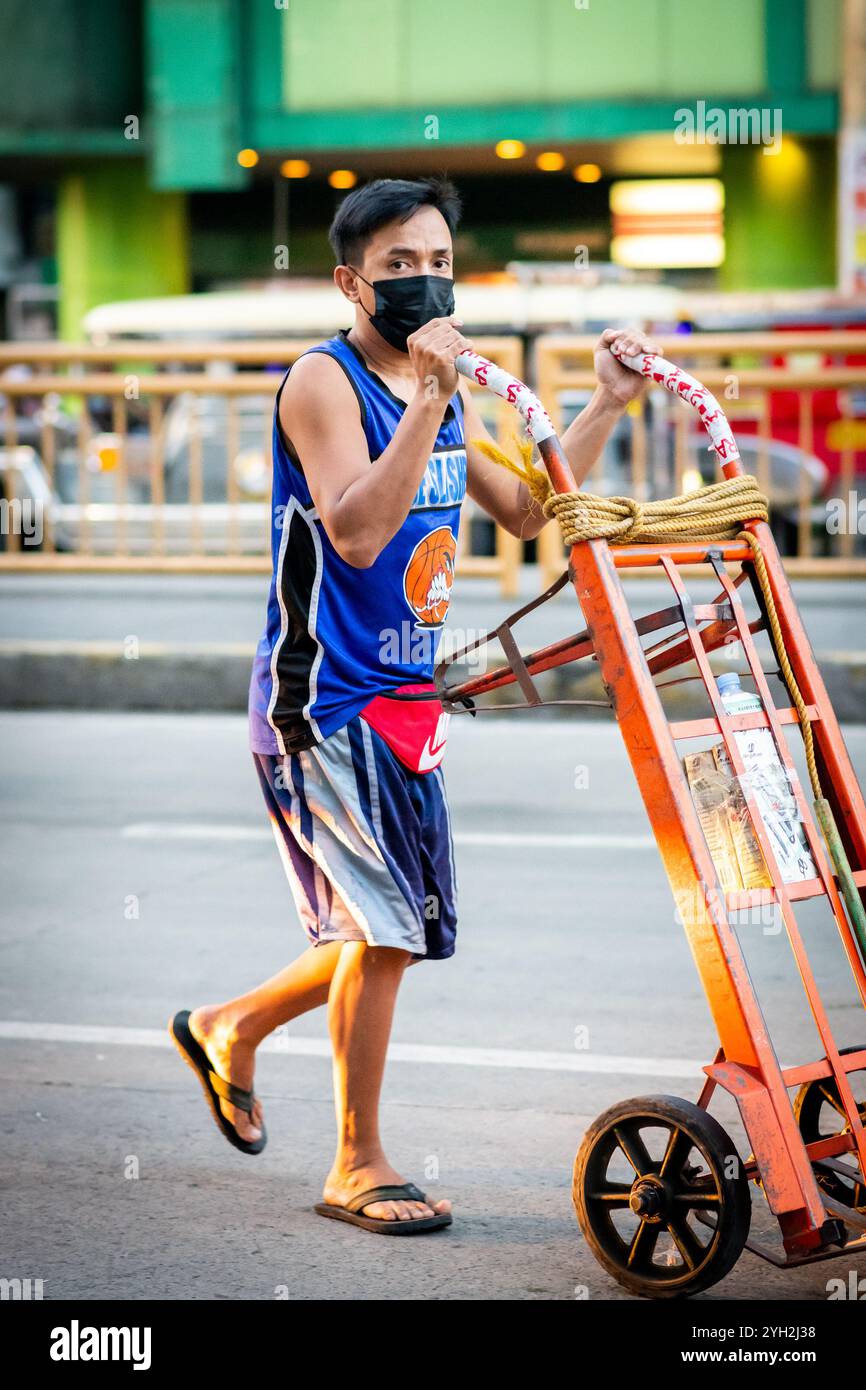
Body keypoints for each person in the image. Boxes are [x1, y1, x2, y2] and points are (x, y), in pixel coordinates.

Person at [169, 176, 655, 1235]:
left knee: (395, 927)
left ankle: (228, 1025)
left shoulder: (444, 388)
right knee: (381, 928)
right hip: (322, 697)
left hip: (405, 699)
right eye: (397, 266)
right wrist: (428, 400)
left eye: (436, 260)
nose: (422, 279)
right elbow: (354, 531)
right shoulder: (323, 381)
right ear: (350, 281)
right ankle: (357, 1162)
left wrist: (605, 402)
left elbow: (529, 510)